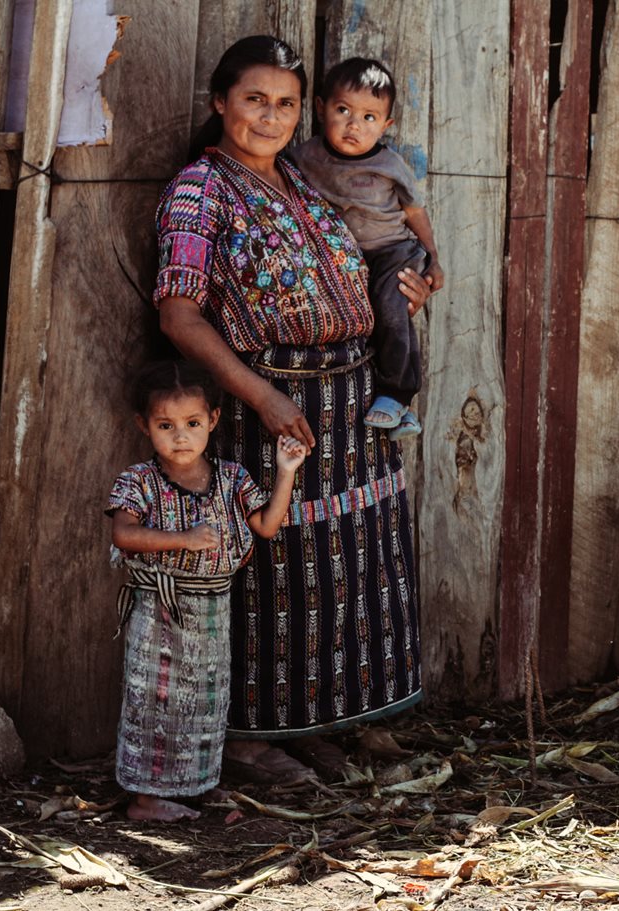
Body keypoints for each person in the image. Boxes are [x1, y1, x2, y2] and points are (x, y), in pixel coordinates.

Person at [155, 35, 429, 784]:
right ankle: (247, 737)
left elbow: (382, 248)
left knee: (341, 573)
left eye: (284, 104)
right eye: (254, 100)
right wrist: (263, 395)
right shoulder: (199, 190)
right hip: (266, 407)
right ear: (220, 102)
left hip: (351, 405)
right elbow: (180, 317)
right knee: (271, 575)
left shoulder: (305, 180)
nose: (271, 118)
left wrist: (412, 287)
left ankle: (315, 720)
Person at [108, 361, 306, 821]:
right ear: (145, 425)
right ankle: (145, 797)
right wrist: (185, 539)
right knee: (155, 700)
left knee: (204, 701)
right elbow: (124, 534)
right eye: (166, 426)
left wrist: (286, 472)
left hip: (214, 609)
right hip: (159, 610)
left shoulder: (232, 479)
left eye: (193, 424)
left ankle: (193, 786)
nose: (181, 436)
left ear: (213, 421)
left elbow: (267, 525)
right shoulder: (140, 482)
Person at [289, 56, 443, 439]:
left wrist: (433, 258)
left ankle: (397, 394)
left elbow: (414, 212)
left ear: (386, 125)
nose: (354, 125)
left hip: (393, 251)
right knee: (361, 322)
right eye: (343, 110)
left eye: (370, 118)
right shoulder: (303, 156)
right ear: (321, 108)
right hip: (346, 259)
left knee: (393, 311)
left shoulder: (390, 164)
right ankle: (399, 413)